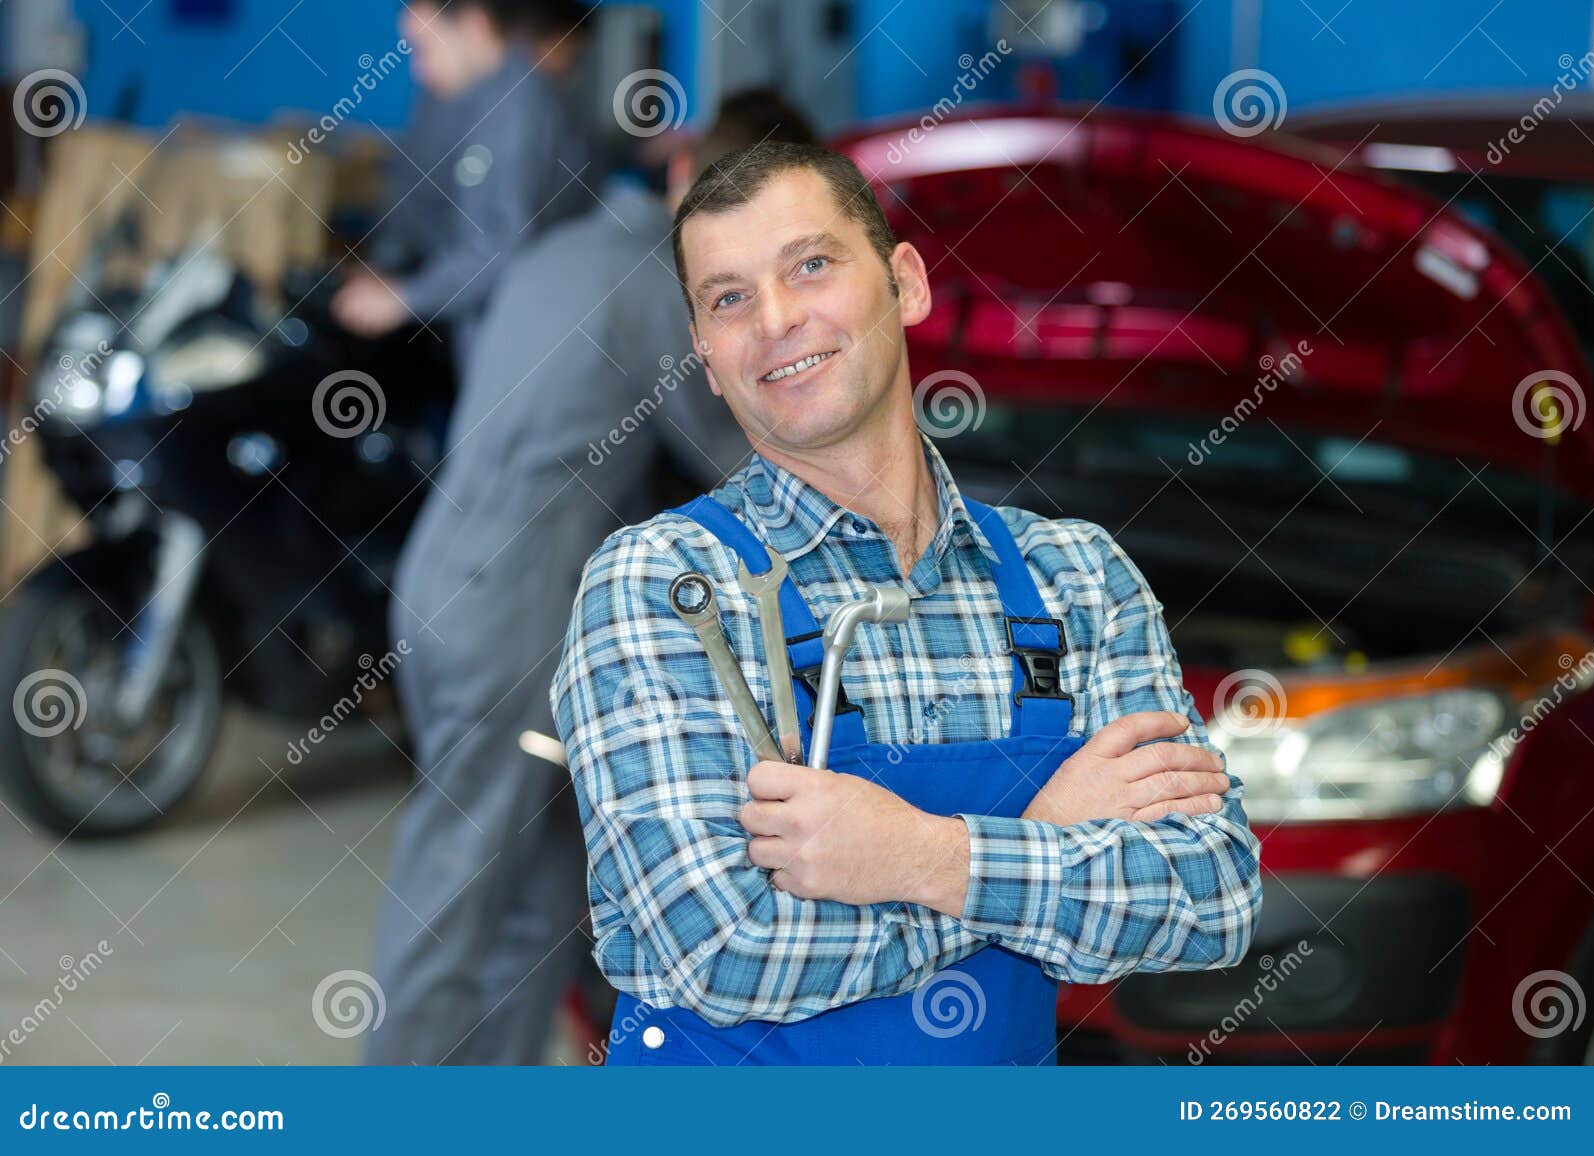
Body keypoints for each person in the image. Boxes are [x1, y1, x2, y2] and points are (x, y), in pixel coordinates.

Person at [550, 142, 1264, 1065]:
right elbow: (721, 948)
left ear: (907, 284)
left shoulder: (1078, 579)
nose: (774, 319)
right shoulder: (664, 586)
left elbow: (1210, 897)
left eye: (810, 265)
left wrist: (921, 857)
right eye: (728, 298)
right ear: (708, 360)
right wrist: (1038, 844)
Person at [364, 93, 818, 1066]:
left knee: (537, 879)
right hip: (509, 605)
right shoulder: (653, 282)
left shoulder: (569, 246)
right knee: (460, 879)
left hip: (452, 573)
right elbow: (727, 454)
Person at [333, 0, 592, 369]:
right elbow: (414, 193)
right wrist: (386, 266)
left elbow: (502, 244)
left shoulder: (516, 111)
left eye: (426, 46)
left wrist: (405, 298)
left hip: (517, 339)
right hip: (477, 323)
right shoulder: (464, 99)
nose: (419, 68)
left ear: (474, 26)